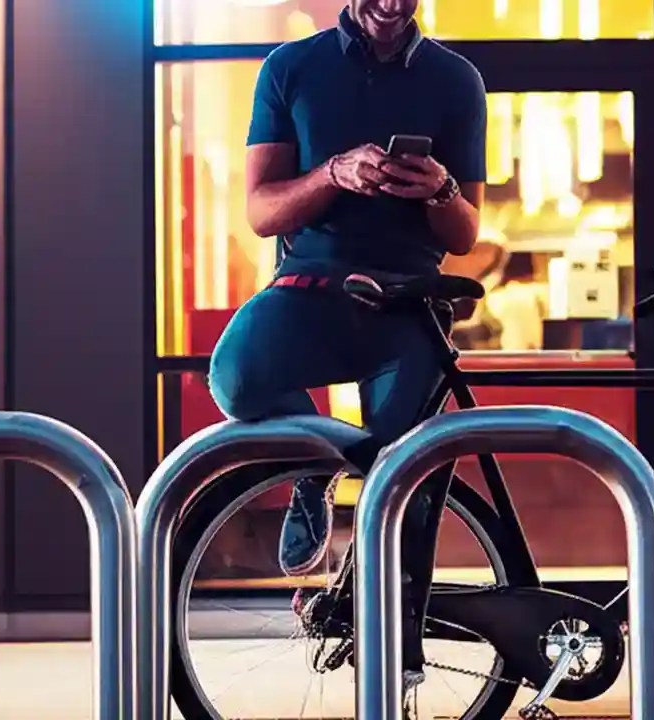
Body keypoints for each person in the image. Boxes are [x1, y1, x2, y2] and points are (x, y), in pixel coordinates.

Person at [206, 0, 486, 686]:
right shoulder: (290, 67)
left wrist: (440, 188)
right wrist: (333, 174)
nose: (391, 4)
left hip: (409, 305)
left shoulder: (456, 78)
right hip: (310, 288)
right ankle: (316, 465)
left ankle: (399, 648)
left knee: (408, 476)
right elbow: (260, 211)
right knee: (238, 376)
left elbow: (466, 233)